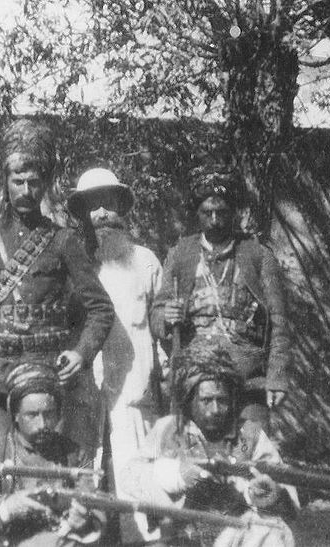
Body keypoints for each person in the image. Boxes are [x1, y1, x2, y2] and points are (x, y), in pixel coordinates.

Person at [0, 119, 115, 453]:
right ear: (5, 182)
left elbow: (100, 309)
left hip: (47, 381)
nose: (26, 191)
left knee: (46, 468)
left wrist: (82, 352)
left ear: (45, 185)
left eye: (34, 182)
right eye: (17, 181)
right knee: (0, 465)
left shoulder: (63, 241)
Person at [149, 169, 292, 428]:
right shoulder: (181, 254)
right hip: (195, 381)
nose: (215, 220)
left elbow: (279, 321)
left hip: (247, 378)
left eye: (222, 212)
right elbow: (157, 312)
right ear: (197, 213)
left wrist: (277, 377)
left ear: (234, 212)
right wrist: (167, 316)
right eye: (207, 213)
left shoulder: (258, 255)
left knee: (252, 457)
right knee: (191, 459)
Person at [118, 341, 297, 546]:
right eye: (206, 400)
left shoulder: (249, 433)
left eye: (222, 400)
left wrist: (270, 494)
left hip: (236, 537)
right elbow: (129, 476)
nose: (215, 409)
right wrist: (175, 475)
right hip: (182, 537)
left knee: (273, 531)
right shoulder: (169, 429)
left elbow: (287, 499)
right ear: (189, 400)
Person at [67, 167, 163, 540]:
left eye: (109, 202)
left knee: (140, 503)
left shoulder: (146, 261)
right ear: (83, 215)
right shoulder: (74, 263)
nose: (102, 213)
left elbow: (161, 329)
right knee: (89, 498)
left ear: (123, 207)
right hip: (87, 400)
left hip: (136, 399)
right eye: (93, 205)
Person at [0, 363, 107, 545]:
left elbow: (94, 502)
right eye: (32, 415)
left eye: (49, 414)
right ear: (16, 416)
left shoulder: (73, 455)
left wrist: (84, 520)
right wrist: (5, 509)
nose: (42, 424)